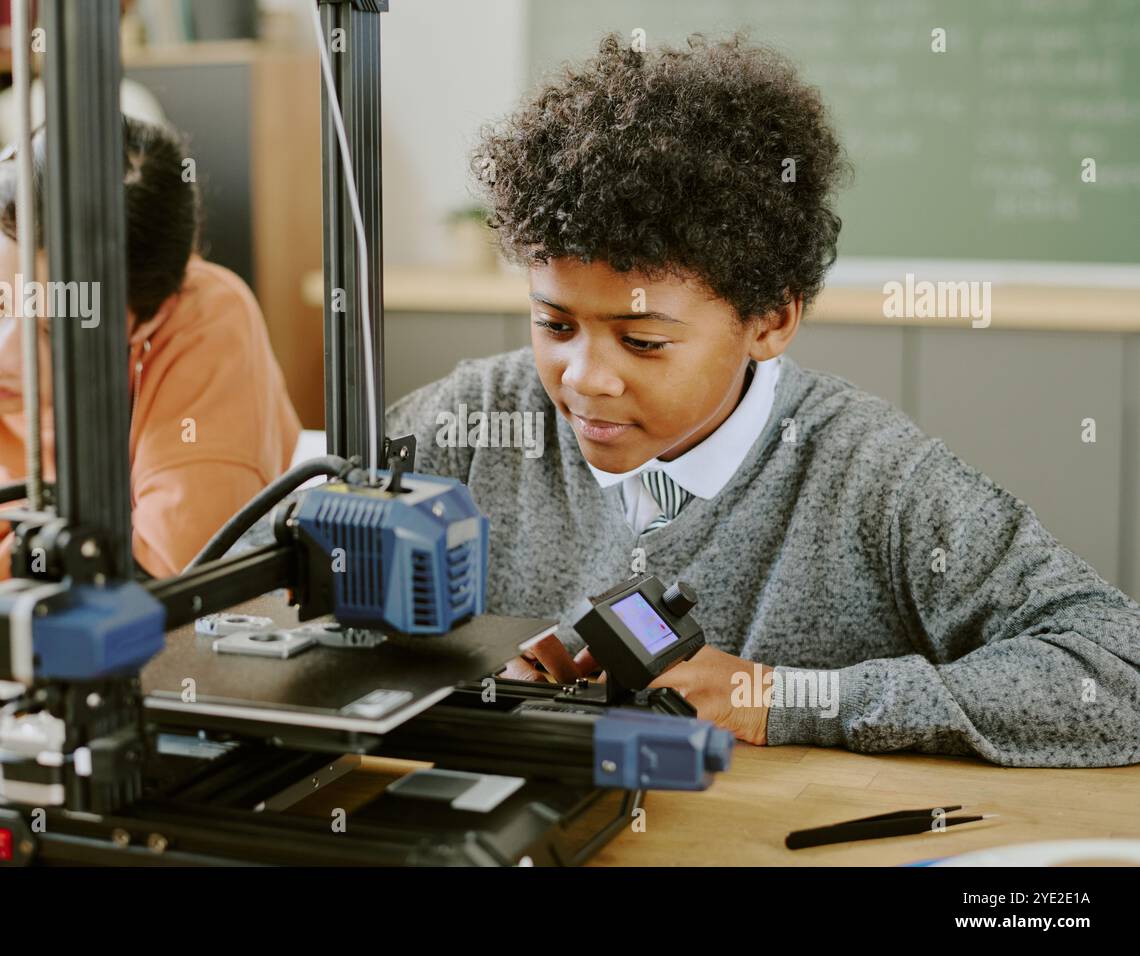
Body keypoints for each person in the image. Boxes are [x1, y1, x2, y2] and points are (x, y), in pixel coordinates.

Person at [386, 34, 1140, 768]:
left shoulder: (873, 478)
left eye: (643, 341)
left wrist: (778, 696)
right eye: (555, 324)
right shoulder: (472, 420)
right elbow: (296, 600)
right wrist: (479, 692)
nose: (584, 377)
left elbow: (1114, 671)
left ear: (770, 321)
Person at [0, 117, 301, 588]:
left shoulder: (205, 324)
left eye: (53, 330)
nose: (1, 356)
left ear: (146, 320)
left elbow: (162, 584)